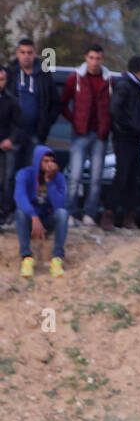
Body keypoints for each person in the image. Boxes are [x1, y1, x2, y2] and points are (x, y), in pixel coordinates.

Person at [4, 38, 61, 218]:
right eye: (22, 52)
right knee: (9, 174)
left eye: (30, 52)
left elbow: (55, 103)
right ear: (17, 53)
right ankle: (7, 211)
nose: (26, 56)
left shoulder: (44, 75)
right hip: (12, 134)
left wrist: (45, 125)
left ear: (35, 54)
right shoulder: (10, 73)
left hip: (35, 133)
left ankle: (27, 212)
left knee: (32, 174)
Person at [61, 43, 113, 227]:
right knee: (74, 176)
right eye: (91, 58)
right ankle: (70, 213)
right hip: (80, 133)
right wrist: (74, 120)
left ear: (102, 59)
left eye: (98, 58)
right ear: (86, 58)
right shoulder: (75, 78)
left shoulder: (109, 80)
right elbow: (63, 103)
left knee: (96, 178)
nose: (94, 62)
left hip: (100, 135)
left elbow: (112, 107)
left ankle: (89, 214)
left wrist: (106, 126)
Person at [106, 56, 140, 229]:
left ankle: (129, 217)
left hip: (133, 139)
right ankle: (109, 214)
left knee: (131, 178)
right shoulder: (125, 85)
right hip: (126, 139)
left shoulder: (133, 86)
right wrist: (131, 127)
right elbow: (115, 110)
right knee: (122, 177)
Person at [15, 145, 68, 277]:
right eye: (46, 161)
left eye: (52, 161)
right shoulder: (25, 174)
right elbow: (19, 197)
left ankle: (57, 258)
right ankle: (26, 257)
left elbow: (60, 205)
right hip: (30, 221)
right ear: (38, 161)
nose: (50, 164)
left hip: (47, 220)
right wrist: (33, 216)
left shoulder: (58, 178)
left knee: (63, 214)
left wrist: (49, 181)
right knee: (20, 212)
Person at [0, 69, 19, 223]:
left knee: (8, 179)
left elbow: (19, 125)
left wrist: (11, 140)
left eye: (2, 79)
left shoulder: (11, 100)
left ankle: (6, 212)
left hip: (7, 145)